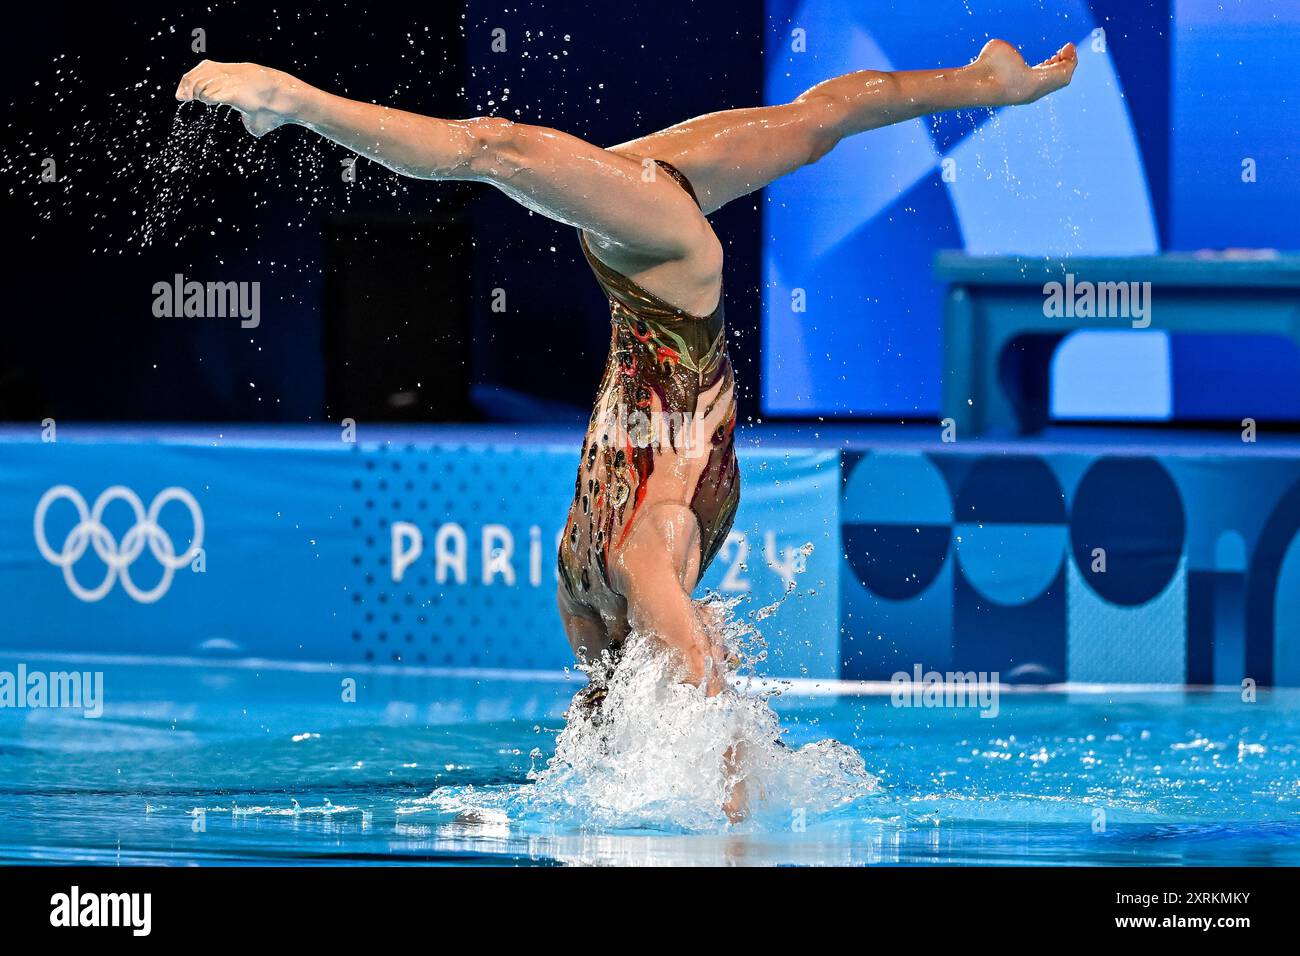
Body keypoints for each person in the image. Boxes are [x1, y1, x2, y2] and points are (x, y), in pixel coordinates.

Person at [176, 38, 1076, 817]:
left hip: (650, 277)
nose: (582, 713)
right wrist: (737, 829)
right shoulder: (639, 562)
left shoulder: (585, 581)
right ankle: (286, 97)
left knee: (814, 122)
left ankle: (988, 82)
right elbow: (709, 680)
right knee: (490, 146)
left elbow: (643, 678)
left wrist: (639, 723)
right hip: (667, 270)